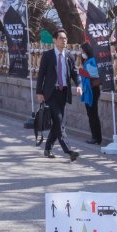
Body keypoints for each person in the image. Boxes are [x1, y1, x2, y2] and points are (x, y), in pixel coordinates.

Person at [36, 30, 81, 161]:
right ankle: (69, 151)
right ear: (54, 40)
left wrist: (79, 85)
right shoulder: (48, 55)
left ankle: (47, 148)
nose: (64, 40)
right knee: (59, 121)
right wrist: (39, 92)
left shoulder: (69, 56)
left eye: (65, 38)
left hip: (63, 93)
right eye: (61, 38)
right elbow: (41, 75)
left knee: (57, 122)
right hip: (51, 93)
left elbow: (75, 73)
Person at [80, 42, 105, 145]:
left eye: (83, 51)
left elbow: (95, 74)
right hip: (88, 90)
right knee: (91, 114)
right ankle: (95, 137)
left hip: (92, 90)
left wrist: (84, 73)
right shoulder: (88, 61)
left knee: (92, 114)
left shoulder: (92, 61)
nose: (82, 53)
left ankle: (96, 137)